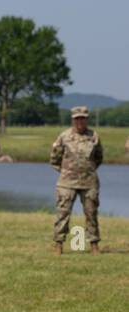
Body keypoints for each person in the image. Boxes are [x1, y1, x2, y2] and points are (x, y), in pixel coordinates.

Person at [51, 106, 103, 254]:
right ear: (73, 120)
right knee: (62, 213)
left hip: (89, 182)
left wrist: (88, 170)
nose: (80, 121)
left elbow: (98, 157)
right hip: (67, 182)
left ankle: (94, 245)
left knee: (91, 213)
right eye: (77, 118)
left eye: (83, 118)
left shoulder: (94, 136)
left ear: (87, 119)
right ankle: (59, 245)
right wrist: (67, 172)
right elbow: (54, 159)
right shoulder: (64, 136)